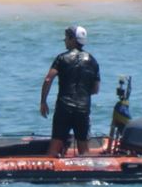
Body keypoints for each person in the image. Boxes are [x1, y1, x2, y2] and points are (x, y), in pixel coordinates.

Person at [39, 26, 100, 157]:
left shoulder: (62, 58)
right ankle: (86, 173)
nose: (64, 41)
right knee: (83, 149)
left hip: (64, 107)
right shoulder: (93, 61)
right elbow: (95, 89)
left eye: (66, 38)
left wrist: (43, 101)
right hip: (83, 108)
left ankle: (50, 172)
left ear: (73, 39)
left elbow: (49, 79)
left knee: (55, 146)